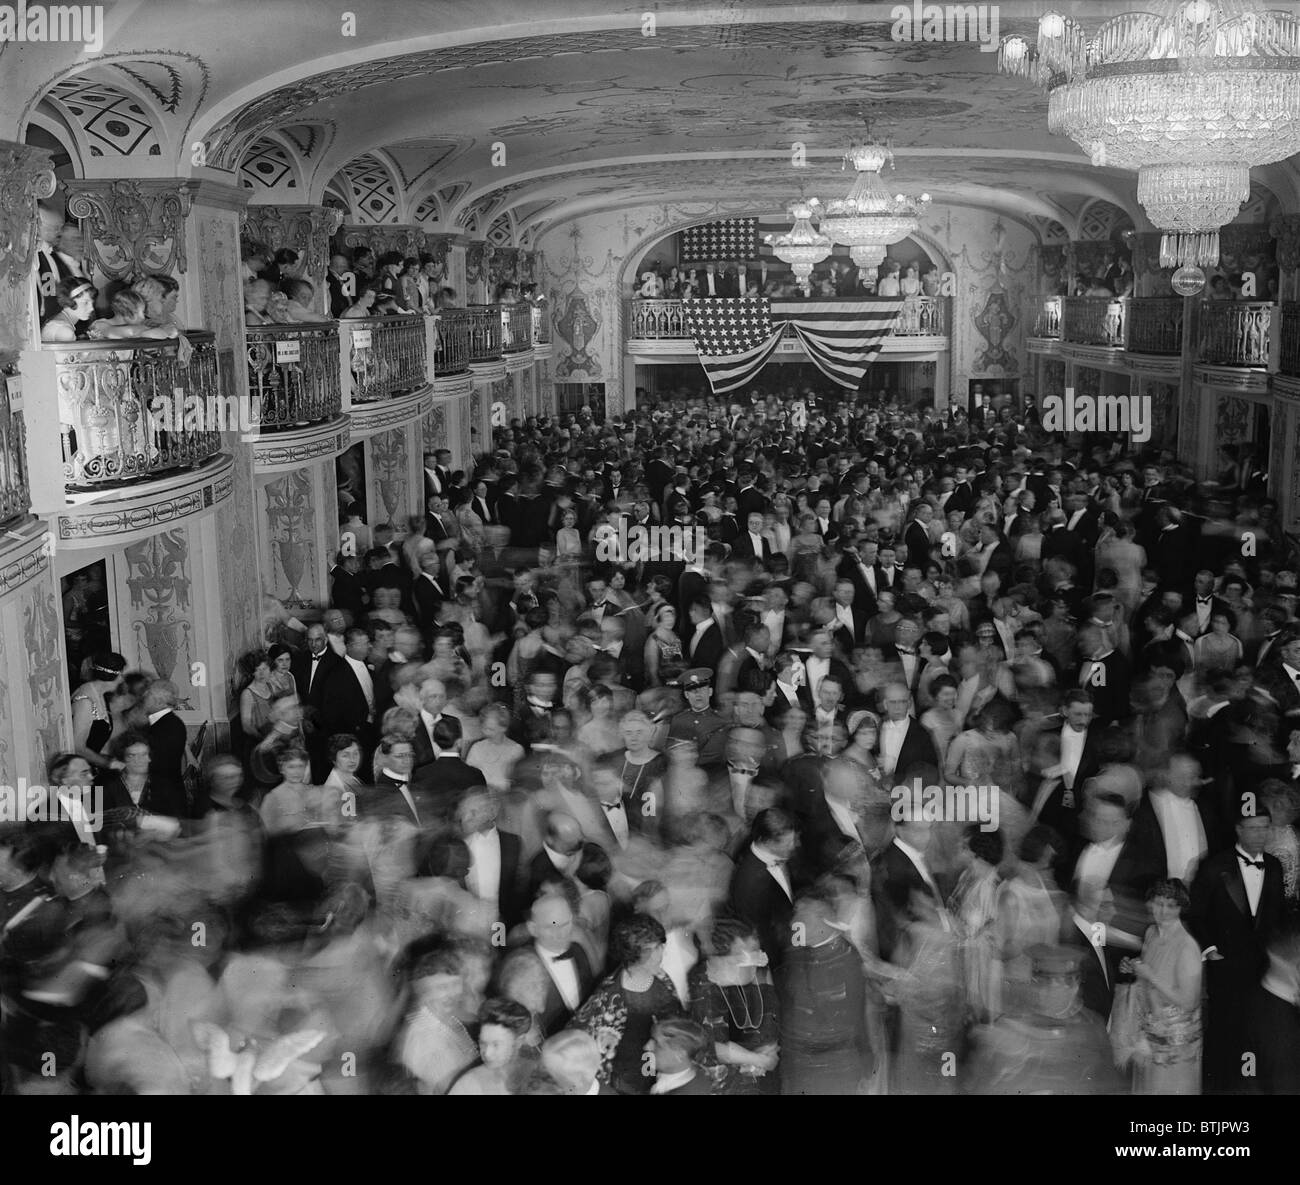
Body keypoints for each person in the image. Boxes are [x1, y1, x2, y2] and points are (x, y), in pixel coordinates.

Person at [571, 913, 683, 1094]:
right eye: (653, 949)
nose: (661, 953)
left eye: (661, 946)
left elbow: (678, 1025)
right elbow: (578, 1038)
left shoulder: (663, 979)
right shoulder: (609, 994)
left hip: (656, 1068)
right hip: (625, 1079)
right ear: (633, 954)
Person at [1122, 878, 1202, 1095]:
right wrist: (1133, 967)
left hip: (1175, 1045)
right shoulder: (1151, 933)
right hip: (1149, 1034)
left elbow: (1189, 1001)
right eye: (1158, 903)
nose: (1163, 911)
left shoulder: (1187, 948)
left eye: (1170, 905)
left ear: (1180, 908)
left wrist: (1151, 976)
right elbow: (1149, 972)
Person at [449, 997, 535, 1094]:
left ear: (519, 1042)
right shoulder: (466, 1086)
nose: (487, 1053)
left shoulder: (535, 1074)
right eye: (483, 1043)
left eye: (496, 1045)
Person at [70, 652, 127, 775]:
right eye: (122, 674)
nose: (122, 679)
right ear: (115, 676)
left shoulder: (101, 696)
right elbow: (77, 747)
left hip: (92, 769)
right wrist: (109, 764)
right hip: (79, 774)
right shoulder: (85, 701)